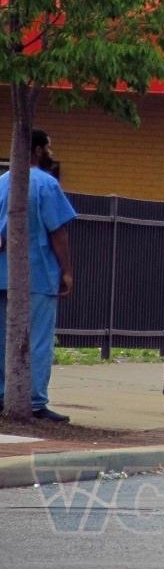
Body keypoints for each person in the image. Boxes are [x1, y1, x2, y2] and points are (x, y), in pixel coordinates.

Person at [0, 130, 77, 421]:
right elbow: (57, 230)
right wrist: (67, 271)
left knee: (2, 339)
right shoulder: (46, 184)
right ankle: (34, 400)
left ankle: (3, 394)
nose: (50, 152)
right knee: (38, 339)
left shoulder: (1, 183)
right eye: (48, 147)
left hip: (2, 274)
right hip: (38, 274)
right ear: (36, 150)